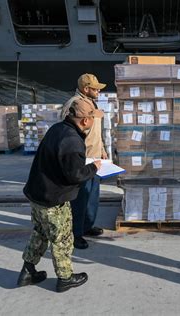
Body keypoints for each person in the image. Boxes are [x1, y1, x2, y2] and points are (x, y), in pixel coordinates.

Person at [17, 97, 103, 293]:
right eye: (93, 118)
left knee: (40, 233)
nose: (93, 122)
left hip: (37, 194)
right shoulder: (73, 140)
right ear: (85, 120)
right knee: (62, 238)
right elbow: (75, 176)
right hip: (52, 199)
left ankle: (28, 270)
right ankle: (65, 278)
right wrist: (94, 167)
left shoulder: (57, 129)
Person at [61, 73, 108, 250]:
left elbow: (96, 131)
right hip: (83, 160)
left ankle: (87, 226)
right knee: (80, 200)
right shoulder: (77, 104)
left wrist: (102, 150)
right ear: (86, 89)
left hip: (95, 158)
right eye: (96, 89)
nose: (99, 91)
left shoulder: (90, 102)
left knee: (92, 197)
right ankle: (76, 234)